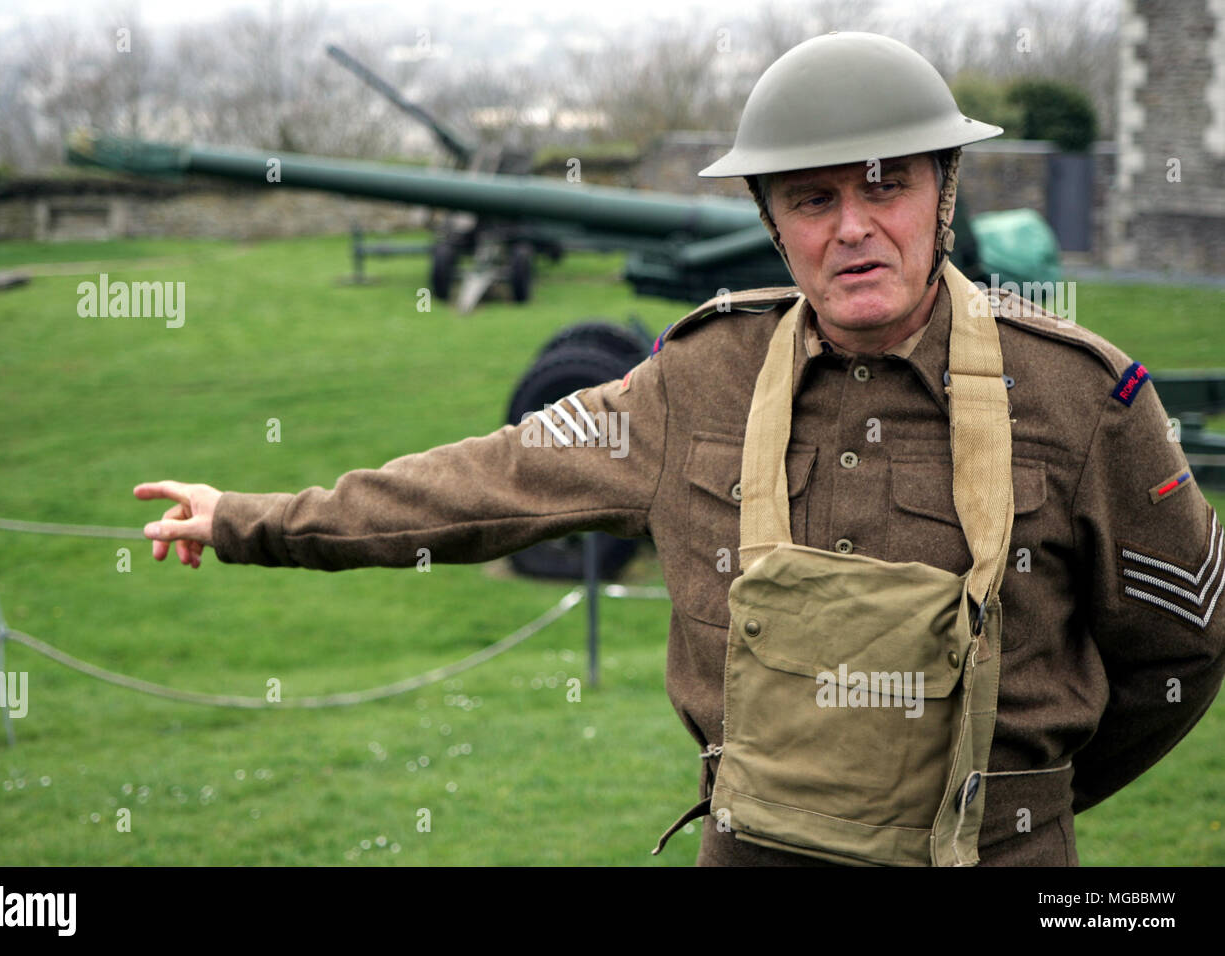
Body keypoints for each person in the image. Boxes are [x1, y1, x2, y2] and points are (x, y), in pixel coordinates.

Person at [135, 32, 1225, 866]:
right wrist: (249, 519)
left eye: (886, 182)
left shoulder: (1083, 397)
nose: (851, 225)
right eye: (812, 198)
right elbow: (485, 483)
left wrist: (1022, 801)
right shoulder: (699, 376)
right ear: (772, 219)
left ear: (945, 192)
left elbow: (1180, 653)